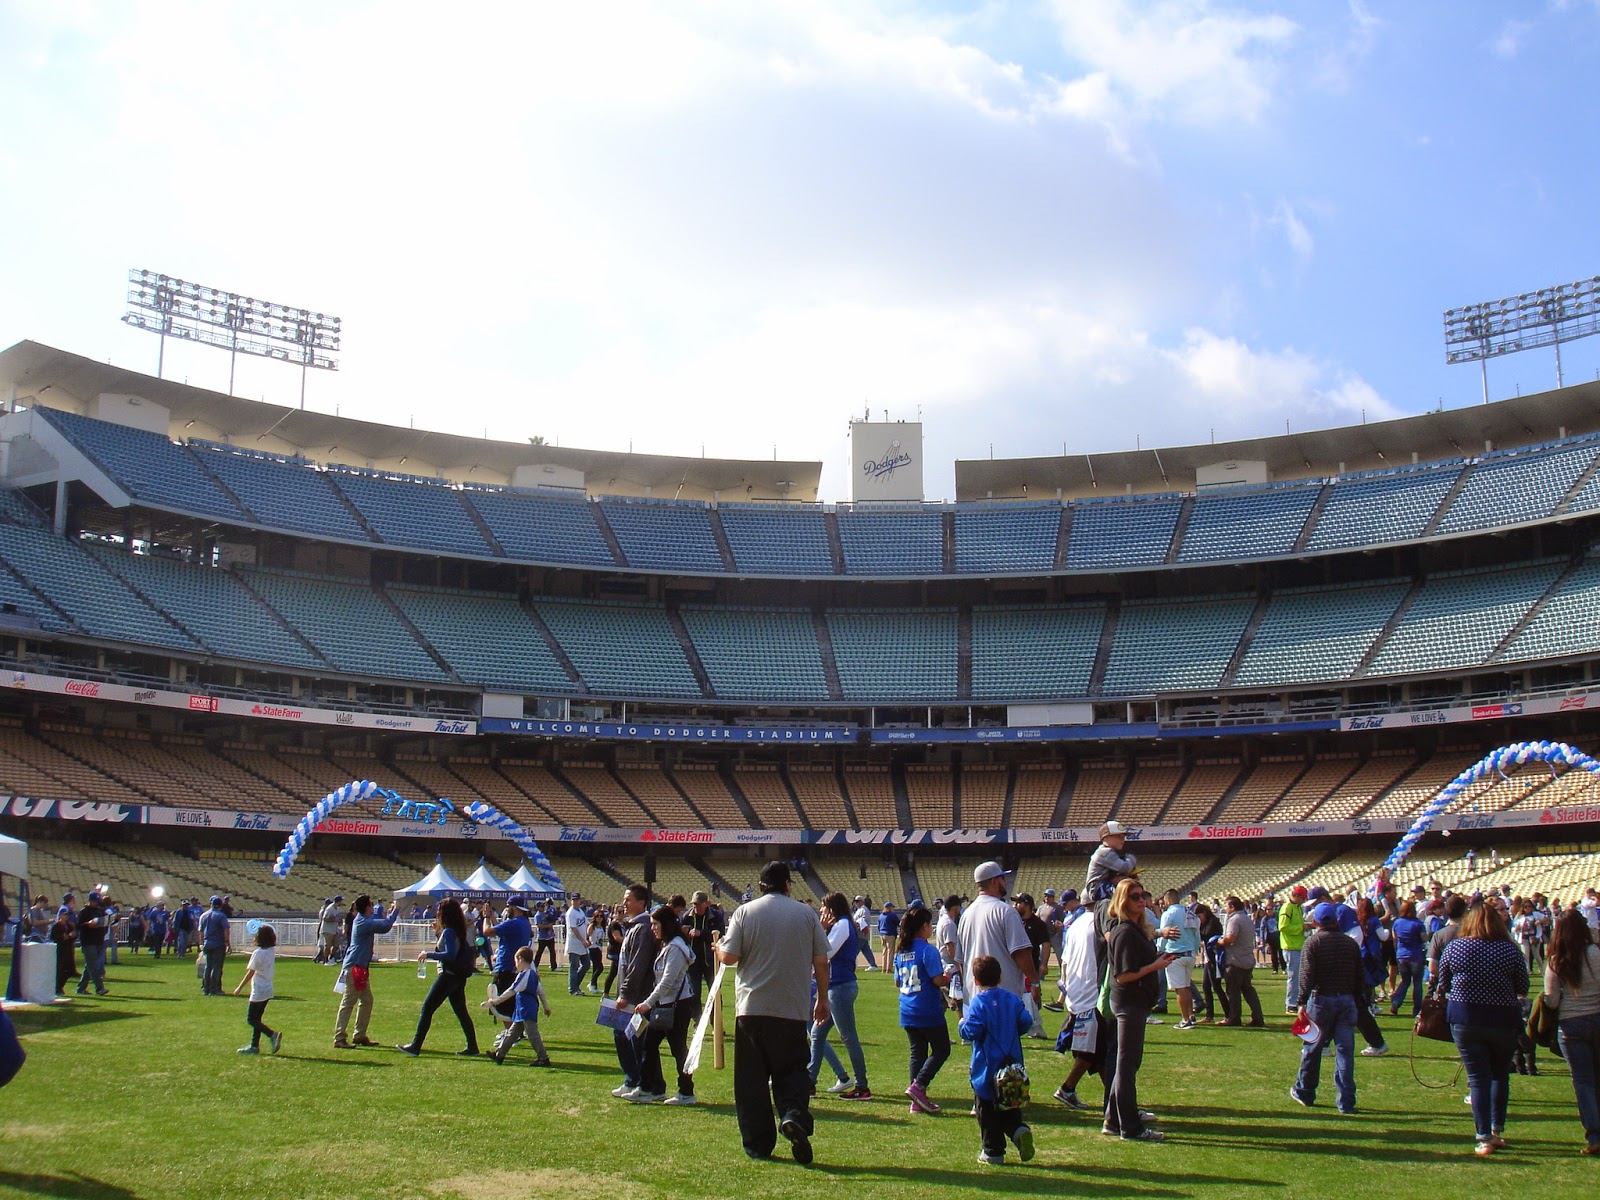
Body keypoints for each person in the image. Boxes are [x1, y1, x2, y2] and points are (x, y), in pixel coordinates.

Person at [716, 860, 830, 1164]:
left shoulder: (745, 912)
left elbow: (729, 956)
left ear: (761, 885)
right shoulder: (806, 914)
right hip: (792, 1009)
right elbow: (822, 960)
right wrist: (822, 998)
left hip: (752, 1008)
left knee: (751, 1081)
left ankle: (758, 1143)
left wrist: (717, 948)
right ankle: (793, 1114)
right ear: (788, 885)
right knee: (792, 1070)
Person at [1441, 901, 1529, 1156]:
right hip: (1502, 1019)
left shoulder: (1456, 946)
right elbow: (1522, 985)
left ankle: (1483, 1137)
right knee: (1499, 1075)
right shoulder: (1509, 950)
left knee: (1478, 1079)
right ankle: (1497, 1130)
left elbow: (1443, 982)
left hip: (1466, 1018)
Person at [1103, 878, 1174, 1142]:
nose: (1141, 900)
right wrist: (1154, 968)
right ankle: (1129, 1127)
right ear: (1123, 901)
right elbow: (1123, 976)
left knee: (1128, 1063)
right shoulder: (1123, 931)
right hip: (1128, 1002)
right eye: (1134, 896)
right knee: (1126, 1065)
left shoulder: (1135, 929)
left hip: (1135, 1002)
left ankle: (1112, 1119)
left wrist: (1156, 961)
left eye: (1142, 895)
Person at [959, 955, 1035, 1166]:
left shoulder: (979, 1003)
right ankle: (1019, 1131)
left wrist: (961, 1024)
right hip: (1011, 1066)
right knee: (1010, 1105)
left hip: (986, 1069)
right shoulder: (1012, 999)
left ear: (975, 980)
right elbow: (1026, 1022)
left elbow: (971, 1031)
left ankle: (993, 1150)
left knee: (987, 1110)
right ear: (1000, 977)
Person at [1290, 903, 1362, 1113]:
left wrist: (1301, 1002)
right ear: (1336, 921)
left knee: (1312, 1047)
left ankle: (1305, 1090)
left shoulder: (1313, 942)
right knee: (1345, 1051)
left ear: (1316, 923)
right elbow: (1359, 976)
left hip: (1321, 999)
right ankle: (1346, 1100)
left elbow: (1306, 975)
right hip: (1347, 1000)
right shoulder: (1350, 944)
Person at [1544, 906, 1600, 1155]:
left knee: (1583, 1082)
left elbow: (1552, 1000)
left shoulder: (1556, 959)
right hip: (1597, 1016)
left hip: (1571, 1023)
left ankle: (1594, 1134)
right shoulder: (1594, 953)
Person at [632, 904, 699, 1105]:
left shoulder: (675, 948)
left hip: (677, 1006)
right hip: (666, 1005)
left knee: (678, 1049)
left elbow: (668, 981)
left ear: (666, 925)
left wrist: (647, 1003)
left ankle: (686, 1092)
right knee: (649, 1045)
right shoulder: (669, 945)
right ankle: (648, 1088)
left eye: (655, 924)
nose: (652, 928)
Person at [397, 898, 481, 1058]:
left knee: (427, 1008)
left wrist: (428, 954)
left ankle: (416, 1046)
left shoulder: (449, 931)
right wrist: (438, 934)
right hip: (458, 977)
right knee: (461, 1012)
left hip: (448, 976)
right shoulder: (456, 929)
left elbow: (449, 954)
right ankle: (472, 1047)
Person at [808, 892, 871, 1099]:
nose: (821, 911)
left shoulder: (842, 924)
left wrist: (822, 930)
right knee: (817, 1034)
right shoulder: (841, 925)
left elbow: (826, 953)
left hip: (840, 987)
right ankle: (809, 1082)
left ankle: (862, 1086)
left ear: (833, 908)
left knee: (848, 1037)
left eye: (824, 907)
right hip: (835, 987)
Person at [956, 862, 1036, 1009]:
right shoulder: (1006, 911)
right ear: (994, 882)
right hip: (1004, 998)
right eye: (1002, 879)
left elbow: (961, 961)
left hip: (974, 999)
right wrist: (1035, 983)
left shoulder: (966, 915)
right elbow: (1021, 953)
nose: (1005, 882)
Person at [894, 905, 950, 1114]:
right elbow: (937, 979)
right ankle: (918, 1087)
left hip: (907, 1008)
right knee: (942, 1049)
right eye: (929, 925)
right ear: (924, 926)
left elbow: (898, 982)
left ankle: (916, 1100)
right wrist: (948, 976)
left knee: (917, 1052)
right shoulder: (928, 950)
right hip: (927, 1008)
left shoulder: (901, 951)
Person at [334, 894, 403, 1049]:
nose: (373, 908)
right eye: (371, 905)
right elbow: (385, 927)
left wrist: (390, 913)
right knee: (348, 1002)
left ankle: (359, 1035)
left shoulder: (362, 920)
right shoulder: (363, 922)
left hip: (360, 967)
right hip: (354, 968)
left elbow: (382, 923)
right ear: (366, 908)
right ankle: (339, 1038)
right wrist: (395, 911)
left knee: (367, 1000)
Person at [612, 884, 658, 1099]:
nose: (624, 903)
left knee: (634, 1039)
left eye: (629, 899)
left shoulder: (642, 929)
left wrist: (626, 994)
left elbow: (637, 966)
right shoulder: (633, 927)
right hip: (630, 995)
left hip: (637, 997)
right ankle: (632, 1080)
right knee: (622, 1035)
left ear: (641, 903)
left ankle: (641, 1082)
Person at [484, 945, 553, 1066]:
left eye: (516, 961)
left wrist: (495, 1001)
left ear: (521, 959)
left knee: (532, 1034)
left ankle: (543, 1058)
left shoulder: (523, 975)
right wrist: (546, 1007)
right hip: (523, 1010)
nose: (516, 965)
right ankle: (499, 1055)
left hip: (526, 1009)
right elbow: (541, 992)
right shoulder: (534, 975)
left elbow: (511, 991)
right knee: (511, 1034)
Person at [232, 924, 282, 1055]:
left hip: (258, 989)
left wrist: (239, 988)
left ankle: (272, 1034)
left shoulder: (258, 953)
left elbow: (250, 973)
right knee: (257, 1019)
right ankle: (254, 1046)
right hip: (267, 988)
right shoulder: (271, 951)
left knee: (251, 1019)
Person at [1155, 888, 1200, 1029]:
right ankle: (1191, 1015)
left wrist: (1159, 950)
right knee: (1186, 987)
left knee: (1180, 989)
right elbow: (1197, 934)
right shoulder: (1191, 913)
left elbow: (1164, 934)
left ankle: (1185, 1019)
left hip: (1175, 953)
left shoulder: (1169, 914)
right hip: (1190, 954)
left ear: (1168, 900)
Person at [1217, 895, 1263, 1027]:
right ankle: (1258, 1016)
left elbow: (1231, 937)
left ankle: (1234, 1017)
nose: (1225, 908)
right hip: (1247, 959)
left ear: (1232, 907)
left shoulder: (1234, 919)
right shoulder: (1246, 918)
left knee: (1233, 991)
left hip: (1235, 960)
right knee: (1248, 990)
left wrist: (1220, 942)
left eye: (1226, 906)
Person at [486, 896, 534, 1021]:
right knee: (513, 1002)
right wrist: (492, 918)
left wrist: (486, 917)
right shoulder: (524, 922)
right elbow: (502, 929)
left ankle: (509, 1033)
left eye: (508, 907)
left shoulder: (514, 923)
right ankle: (516, 1032)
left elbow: (487, 932)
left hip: (506, 966)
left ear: (514, 907)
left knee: (503, 1003)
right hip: (515, 966)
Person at [1389, 900, 1429, 1018]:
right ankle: (1416, 1009)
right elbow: (1424, 938)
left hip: (1402, 955)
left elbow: (1395, 938)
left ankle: (1396, 1002)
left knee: (1405, 981)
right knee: (1417, 983)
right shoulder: (1417, 924)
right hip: (1415, 955)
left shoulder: (1397, 923)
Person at [1086, 821, 1138, 903]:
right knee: (1128, 892)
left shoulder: (1113, 852)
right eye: (1118, 836)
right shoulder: (1104, 852)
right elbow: (1125, 868)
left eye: (1123, 837)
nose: (1122, 840)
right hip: (1098, 888)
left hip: (1105, 884)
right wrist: (1132, 857)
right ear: (1105, 837)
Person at [75, 891, 109, 997]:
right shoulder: (84, 912)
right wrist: (88, 924)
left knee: (89, 966)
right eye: (94, 901)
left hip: (98, 941)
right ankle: (99, 988)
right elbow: (79, 926)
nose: (96, 903)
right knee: (93, 966)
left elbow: (107, 922)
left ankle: (81, 988)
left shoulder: (100, 911)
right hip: (88, 941)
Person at [197, 896, 230, 997]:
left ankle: (206, 988)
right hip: (218, 943)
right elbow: (226, 929)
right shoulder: (221, 916)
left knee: (208, 966)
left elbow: (200, 931)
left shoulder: (204, 915)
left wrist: (201, 943)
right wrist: (227, 942)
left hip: (207, 943)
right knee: (217, 967)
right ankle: (214, 988)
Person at [566, 894, 592, 995]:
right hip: (574, 943)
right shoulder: (570, 913)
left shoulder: (580, 911)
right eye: (573, 900)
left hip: (582, 943)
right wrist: (582, 940)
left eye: (577, 900)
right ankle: (573, 989)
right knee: (574, 966)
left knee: (586, 964)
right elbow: (573, 928)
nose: (575, 901)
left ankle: (575, 985)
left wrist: (589, 936)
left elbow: (587, 924)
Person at [533, 900, 559, 972]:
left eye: (543, 906)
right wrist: (548, 926)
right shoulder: (537, 915)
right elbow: (539, 925)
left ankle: (554, 966)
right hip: (542, 937)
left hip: (550, 936)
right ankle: (535, 966)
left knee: (552, 952)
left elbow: (552, 919)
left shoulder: (546, 913)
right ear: (537, 908)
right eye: (541, 906)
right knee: (539, 952)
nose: (543, 907)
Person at [853, 896, 878, 971]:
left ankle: (849, 964)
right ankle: (873, 965)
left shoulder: (864, 910)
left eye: (857, 901)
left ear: (862, 902)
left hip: (862, 933)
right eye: (855, 901)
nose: (856, 903)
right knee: (866, 950)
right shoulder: (859, 910)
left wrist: (856, 922)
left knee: (855, 950)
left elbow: (863, 921)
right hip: (860, 933)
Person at [316, 897, 341, 965]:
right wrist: (334, 920)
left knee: (336, 945)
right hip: (328, 930)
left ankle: (332, 957)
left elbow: (337, 917)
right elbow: (325, 918)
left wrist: (339, 921)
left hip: (334, 929)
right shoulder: (330, 908)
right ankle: (326, 960)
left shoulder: (337, 909)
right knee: (328, 946)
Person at [877, 901, 900, 970]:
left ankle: (883, 968)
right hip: (890, 934)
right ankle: (889, 968)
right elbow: (898, 923)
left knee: (884, 951)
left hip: (882, 934)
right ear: (889, 908)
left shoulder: (881, 915)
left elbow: (879, 926)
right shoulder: (892, 915)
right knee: (890, 951)